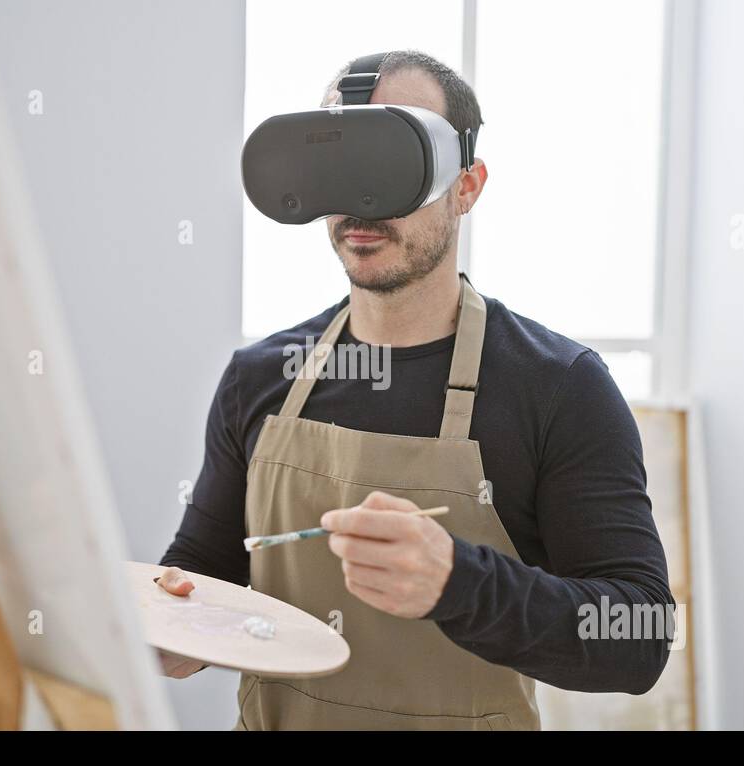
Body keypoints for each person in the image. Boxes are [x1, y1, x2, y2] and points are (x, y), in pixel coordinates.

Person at [159, 50, 673, 730]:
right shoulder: (258, 378)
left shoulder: (559, 388)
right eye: (340, 166)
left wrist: (461, 583)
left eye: (393, 166)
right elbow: (203, 572)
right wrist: (169, 625)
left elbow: (638, 639)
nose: (360, 206)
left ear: (467, 185)